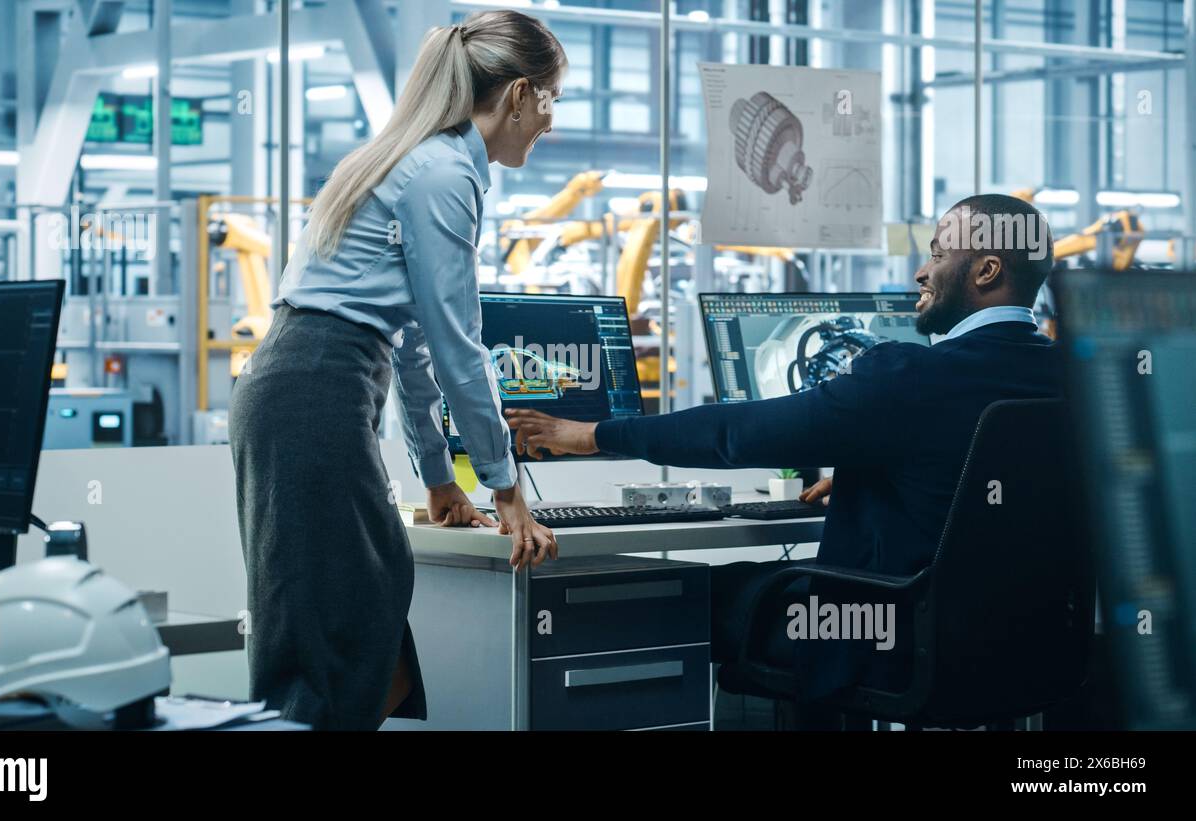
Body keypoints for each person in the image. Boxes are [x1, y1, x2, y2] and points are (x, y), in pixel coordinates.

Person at [505, 194, 1060, 719]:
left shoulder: (910, 377)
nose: (921, 272)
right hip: (1025, 639)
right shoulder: (1077, 378)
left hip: (884, 635)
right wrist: (888, 478)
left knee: (683, 595)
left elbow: (738, 434)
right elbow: (1006, 485)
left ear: (987, 271)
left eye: (938, 254)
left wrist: (594, 434)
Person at [230, 9, 563, 731]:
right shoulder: (445, 174)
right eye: (550, 98)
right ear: (517, 95)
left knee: (364, 602)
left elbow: (412, 346)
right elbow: (456, 347)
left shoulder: (409, 159)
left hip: (300, 385)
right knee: (329, 632)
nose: (551, 120)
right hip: (314, 387)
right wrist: (505, 488)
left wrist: (443, 477)